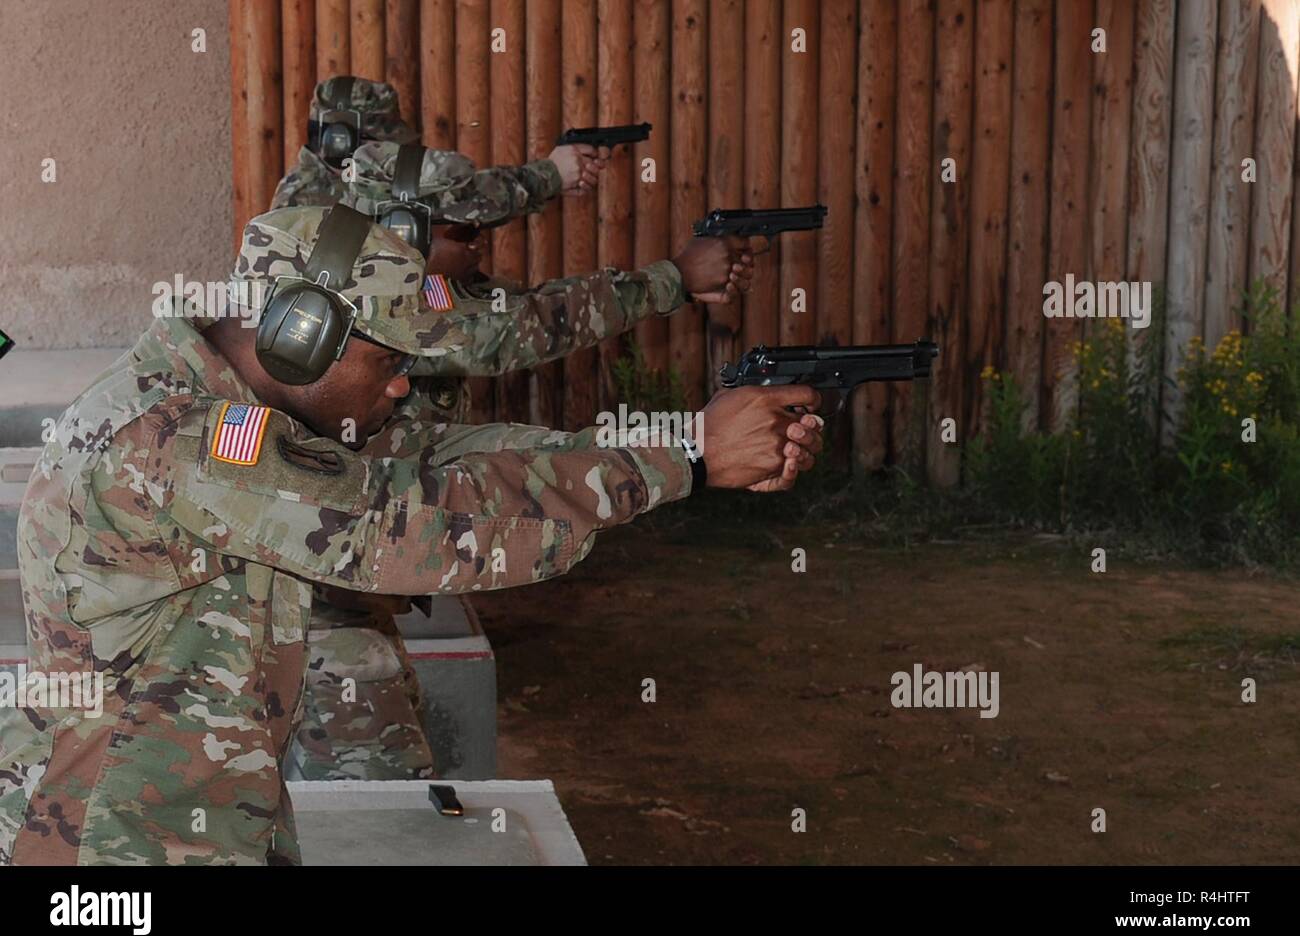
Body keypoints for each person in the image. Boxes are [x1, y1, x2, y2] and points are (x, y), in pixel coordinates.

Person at [0, 205, 823, 865]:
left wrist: (681, 439)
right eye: (391, 359)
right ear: (300, 335)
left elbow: (440, 455)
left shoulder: (234, 403)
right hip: (111, 839)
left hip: (193, 811)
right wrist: (684, 459)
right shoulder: (187, 441)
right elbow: (406, 519)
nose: (401, 384)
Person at [284, 141, 758, 781]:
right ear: (402, 231)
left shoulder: (363, 301)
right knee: (378, 788)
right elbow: (519, 329)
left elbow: (482, 454)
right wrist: (670, 281)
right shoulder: (369, 308)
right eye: (465, 229)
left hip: (340, 591)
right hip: (308, 613)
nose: (481, 242)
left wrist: (688, 448)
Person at [271, 74, 606, 211]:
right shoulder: (312, 198)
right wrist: (551, 173)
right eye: (379, 145)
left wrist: (551, 178)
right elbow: (458, 201)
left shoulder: (327, 181)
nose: (389, 156)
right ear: (341, 142)